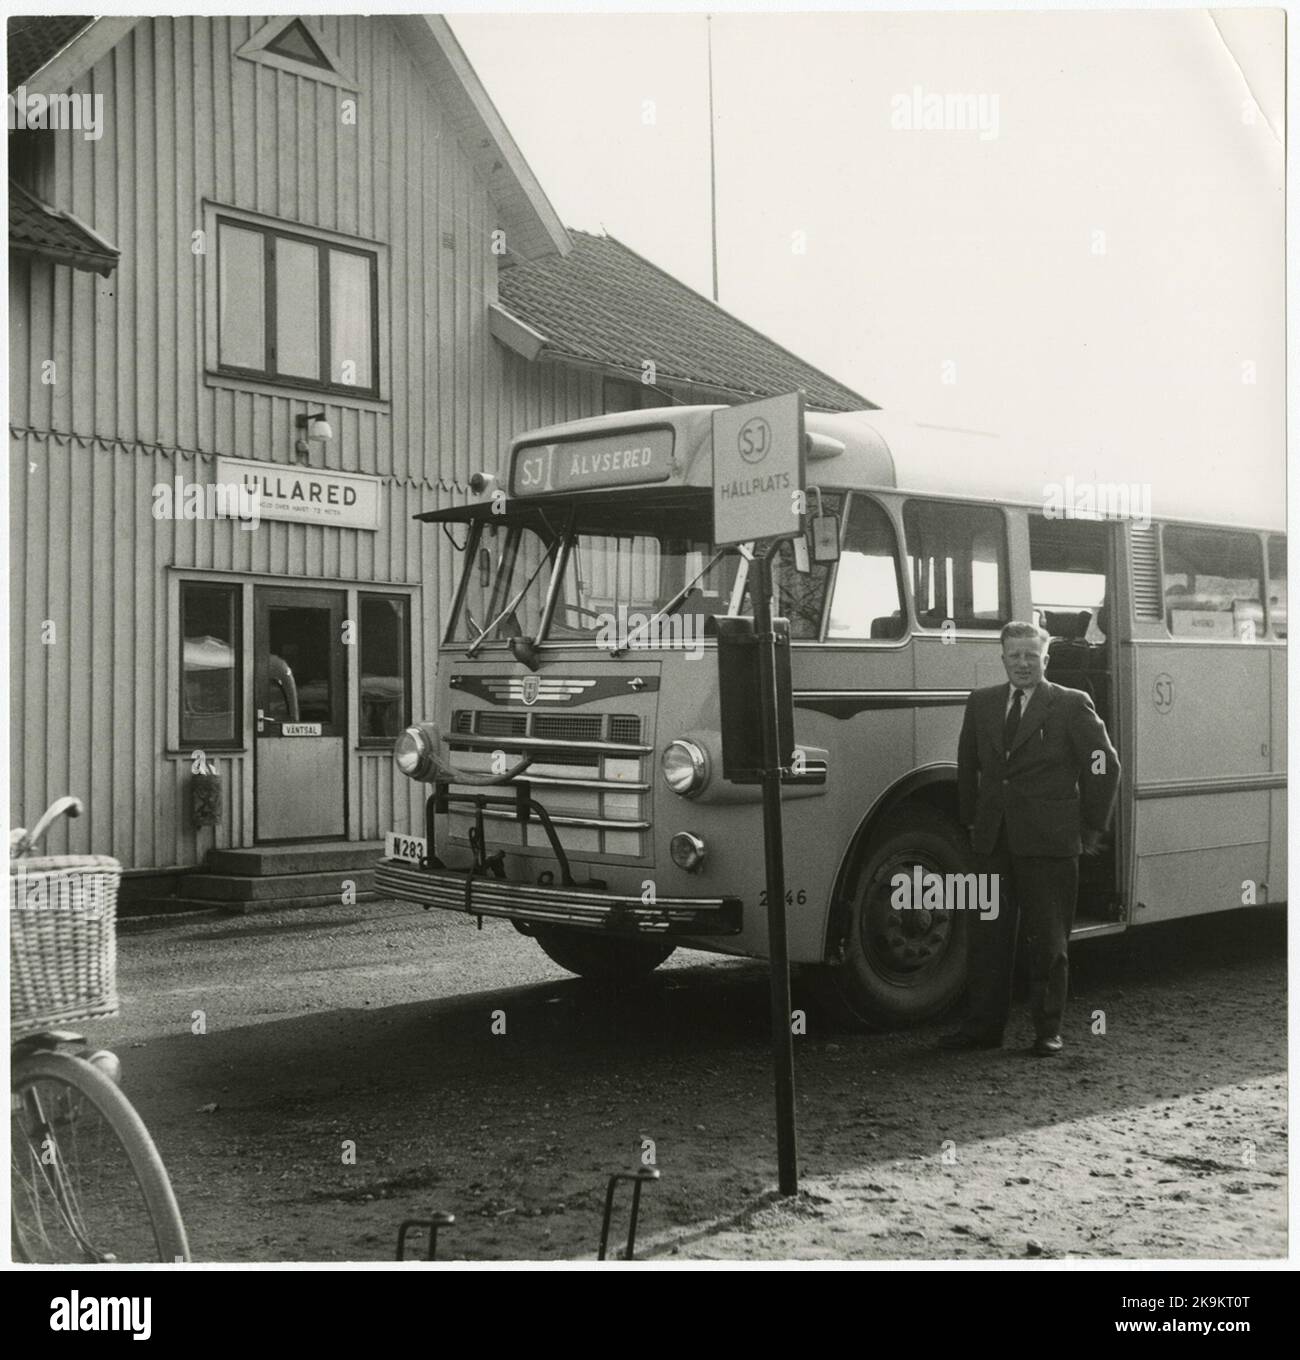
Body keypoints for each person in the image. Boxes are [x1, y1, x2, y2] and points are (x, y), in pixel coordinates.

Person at [940, 620, 1120, 1056]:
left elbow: (1103, 764)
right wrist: (970, 821)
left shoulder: (1071, 704)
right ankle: (983, 1030)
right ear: (1002, 659)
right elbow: (968, 767)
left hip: (1051, 843)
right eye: (1014, 655)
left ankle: (1046, 1031)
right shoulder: (980, 703)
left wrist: (1089, 827)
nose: (1022, 663)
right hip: (991, 842)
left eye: (1031, 656)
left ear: (1046, 659)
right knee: (986, 938)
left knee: (1048, 942)